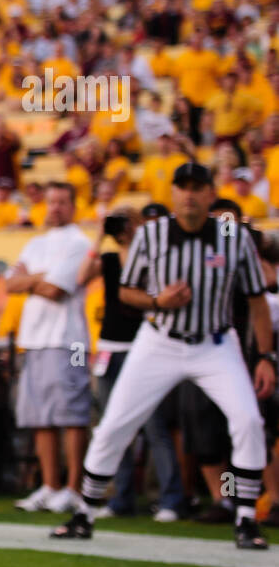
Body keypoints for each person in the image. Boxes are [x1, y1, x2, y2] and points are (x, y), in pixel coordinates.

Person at [52, 162, 275, 549]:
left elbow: (257, 300)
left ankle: (245, 518)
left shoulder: (232, 235)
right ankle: (84, 513)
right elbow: (125, 291)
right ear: (173, 193)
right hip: (159, 340)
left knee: (248, 421)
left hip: (215, 342)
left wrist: (266, 357)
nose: (189, 194)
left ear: (210, 193)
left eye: (197, 187)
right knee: (115, 423)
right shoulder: (151, 234)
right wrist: (159, 301)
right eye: (182, 187)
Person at [80, 204, 185, 521]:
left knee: (155, 427)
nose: (123, 229)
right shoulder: (110, 258)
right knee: (113, 426)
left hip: (145, 346)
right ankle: (120, 498)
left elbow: (137, 278)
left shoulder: (153, 258)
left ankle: (170, 499)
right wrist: (100, 235)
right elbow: (81, 277)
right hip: (110, 346)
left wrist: (137, 234)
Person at [6, 182, 92, 513]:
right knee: (40, 416)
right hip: (34, 339)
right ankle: (50, 485)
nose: (55, 207)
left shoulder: (79, 242)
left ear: (73, 206)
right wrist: (38, 279)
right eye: (51, 201)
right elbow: (9, 283)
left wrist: (29, 280)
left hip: (69, 340)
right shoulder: (35, 242)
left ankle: (74, 488)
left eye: (62, 202)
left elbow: (57, 289)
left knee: (72, 414)